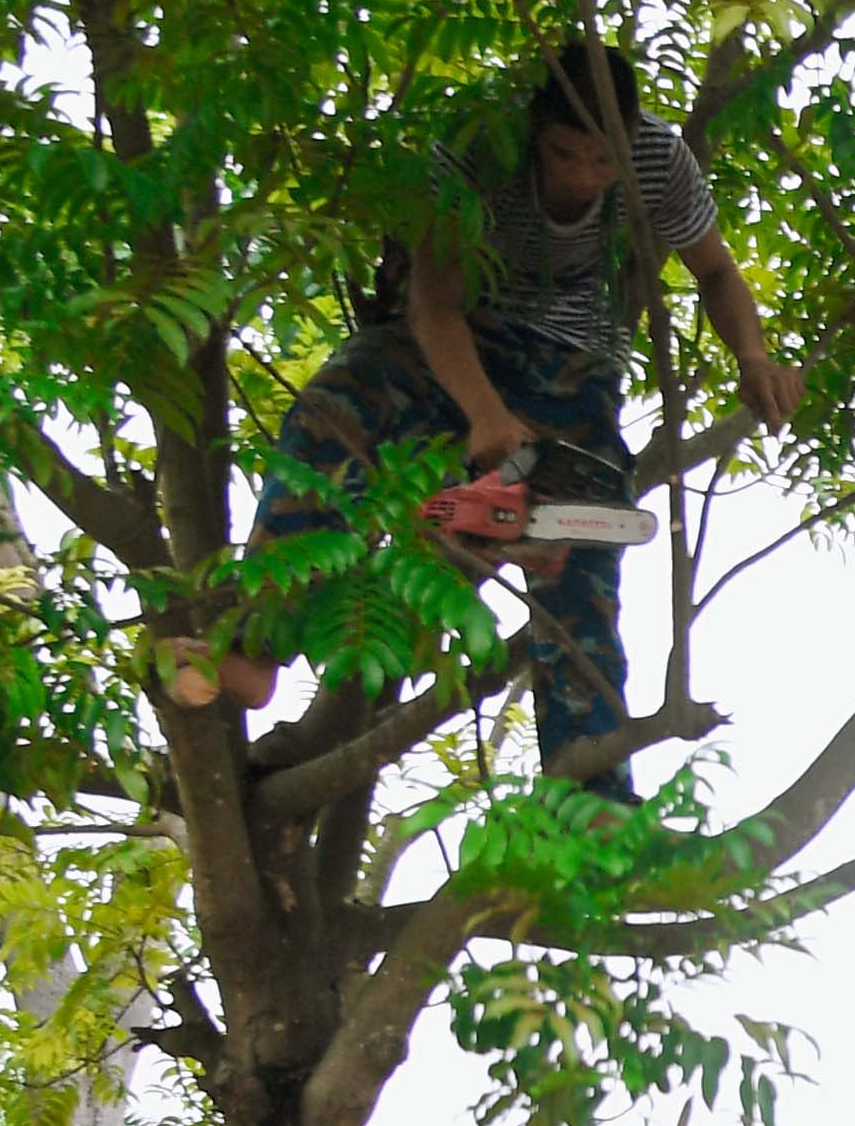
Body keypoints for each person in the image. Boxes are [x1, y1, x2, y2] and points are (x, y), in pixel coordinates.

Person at [225, 39, 803, 785]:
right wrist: (485, 414)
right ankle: (255, 643)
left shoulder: (658, 159)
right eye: (566, 156)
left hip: (574, 362)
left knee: (586, 543)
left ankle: (588, 784)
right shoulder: (478, 149)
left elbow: (717, 269)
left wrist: (753, 359)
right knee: (331, 409)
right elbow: (432, 300)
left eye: (603, 161)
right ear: (535, 133)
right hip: (461, 333)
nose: (585, 177)